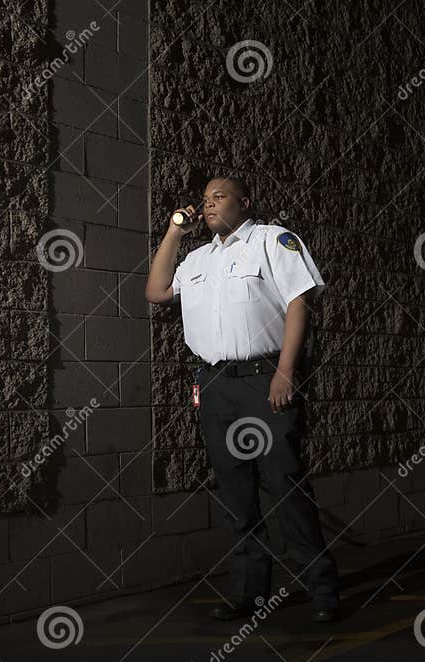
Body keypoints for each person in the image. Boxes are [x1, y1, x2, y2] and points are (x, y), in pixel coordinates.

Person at [145, 175, 341, 623]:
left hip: (264, 378)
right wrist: (175, 231)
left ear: (244, 202)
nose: (208, 205)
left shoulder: (273, 240)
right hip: (215, 385)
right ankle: (251, 592)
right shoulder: (197, 259)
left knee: (284, 483)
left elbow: (300, 302)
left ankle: (321, 589)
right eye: (204, 200)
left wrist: (285, 371)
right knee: (235, 493)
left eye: (219, 197)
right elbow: (156, 292)